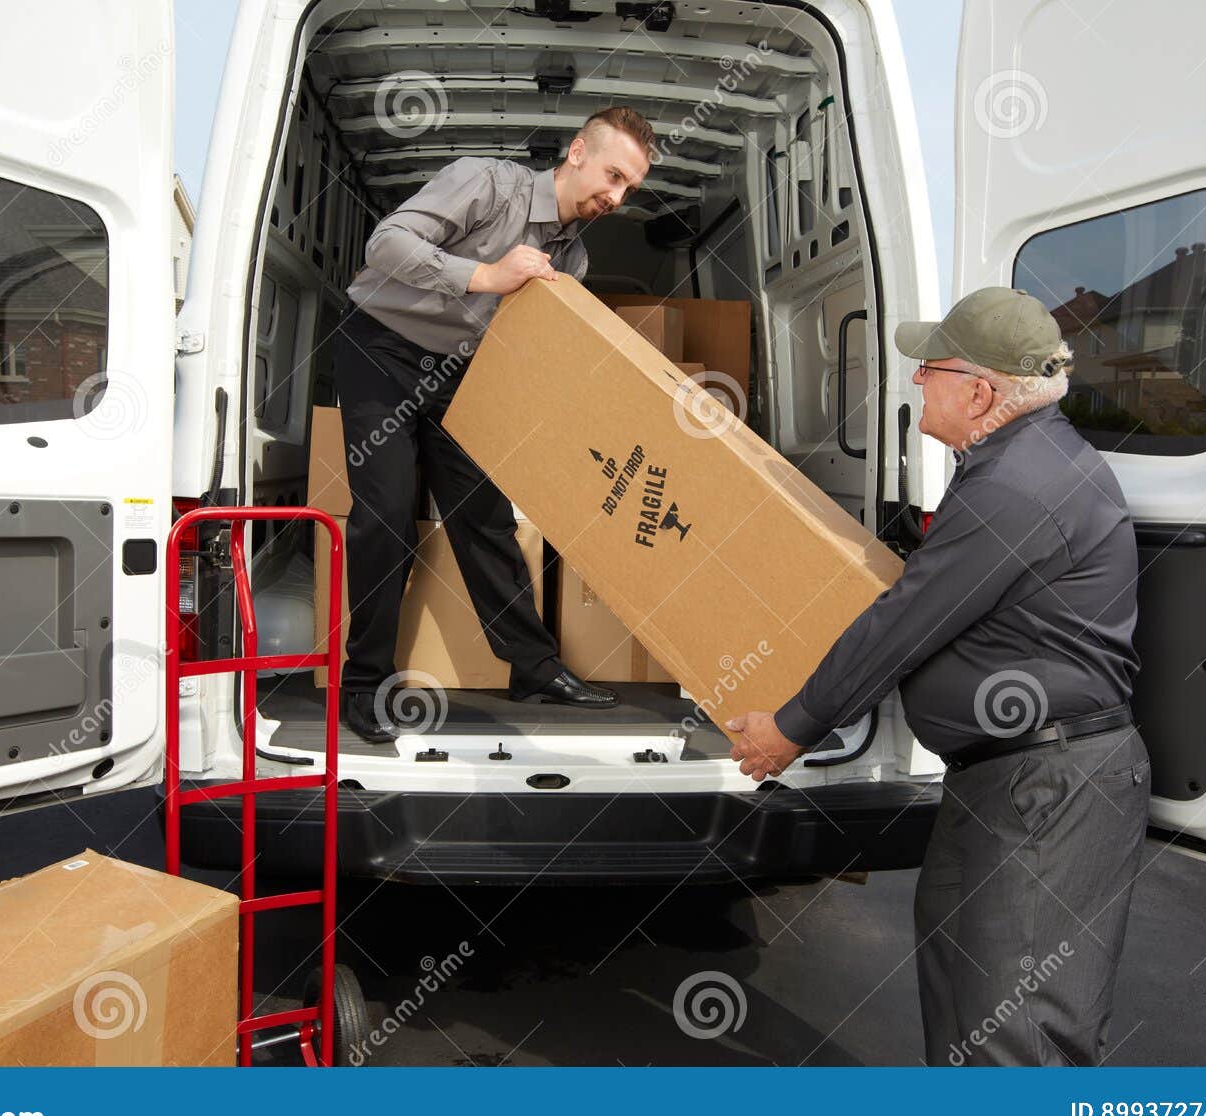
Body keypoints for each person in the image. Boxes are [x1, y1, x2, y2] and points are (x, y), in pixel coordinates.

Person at [725, 287, 1146, 1066]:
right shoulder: (1014, 461)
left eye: (931, 368)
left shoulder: (1017, 487)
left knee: (1015, 1033)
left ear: (981, 392)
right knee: (962, 999)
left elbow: (904, 623)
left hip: (1047, 789)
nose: (917, 379)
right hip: (1002, 779)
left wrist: (790, 728)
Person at [332, 107, 656, 742]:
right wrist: (485, 276)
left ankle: (533, 668)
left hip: (459, 373)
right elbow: (386, 244)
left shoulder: (575, 260)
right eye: (612, 175)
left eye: (629, 189)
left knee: (486, 518)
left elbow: (517, 347)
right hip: (381, 348)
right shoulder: (485, 182)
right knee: (387, 515)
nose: (615, 197)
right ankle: (365, 683)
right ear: (578, 151)